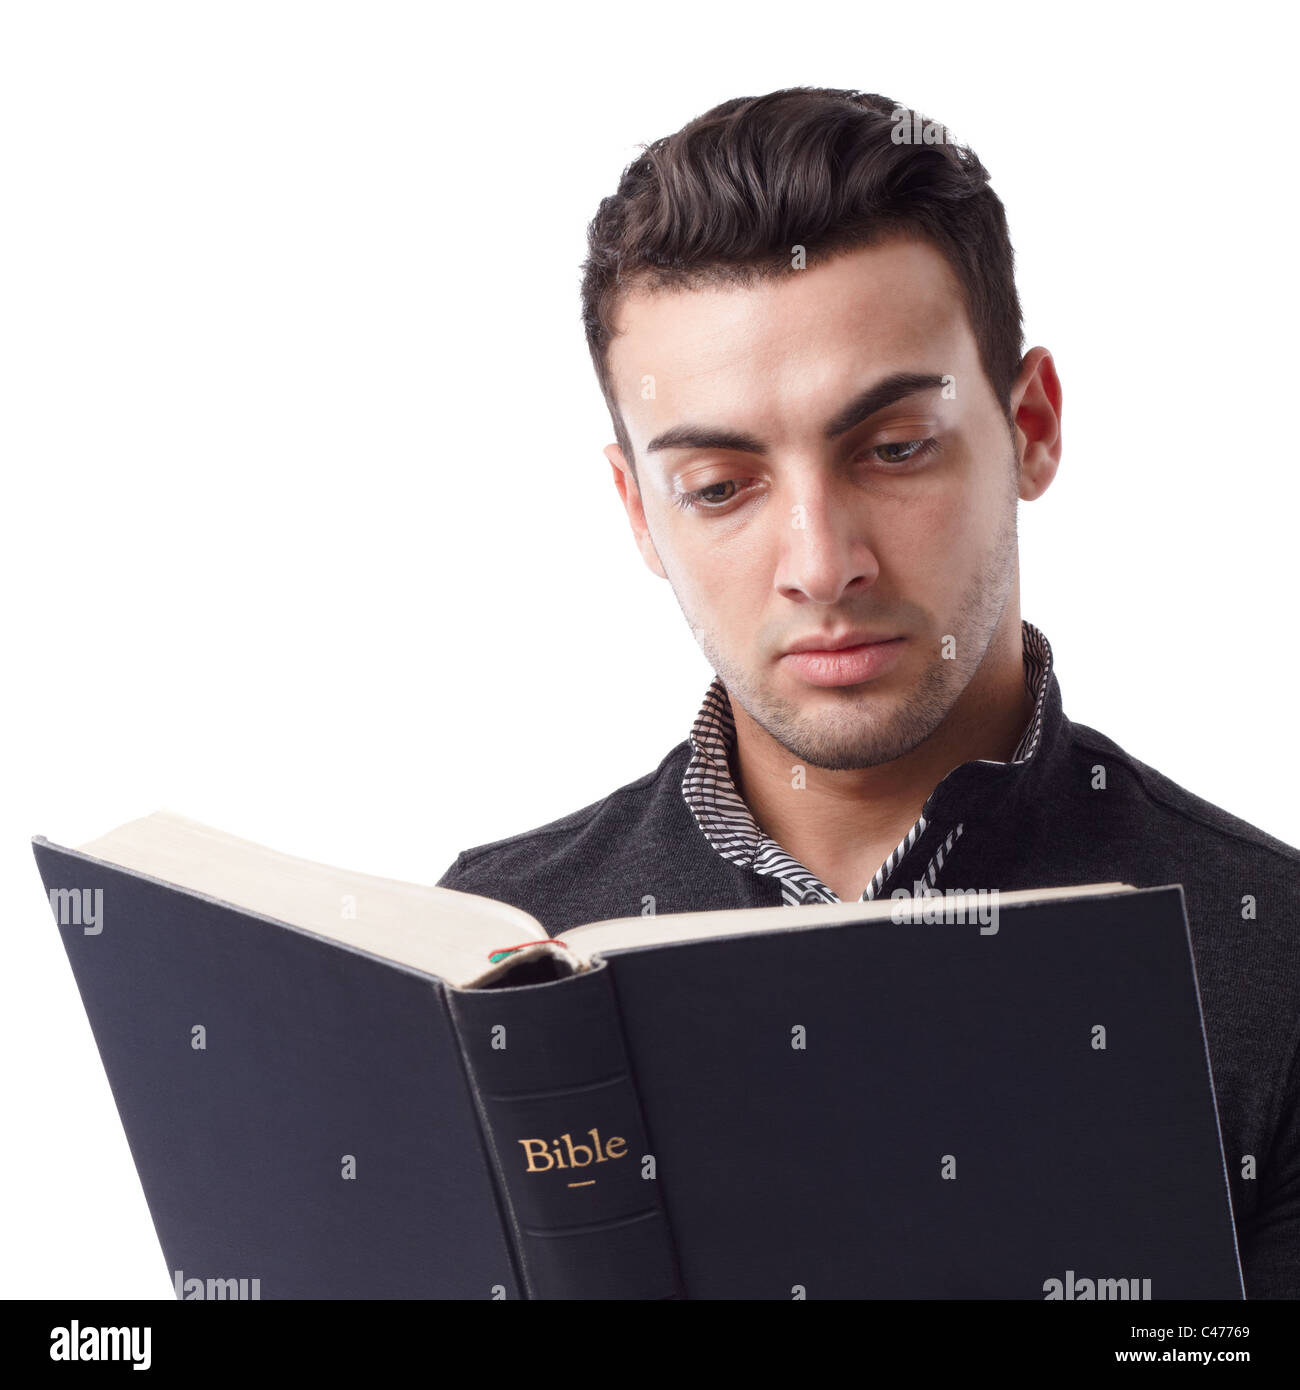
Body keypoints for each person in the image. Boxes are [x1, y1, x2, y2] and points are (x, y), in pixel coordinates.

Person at [436, 87, 1300, 1297]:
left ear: (1030, 425)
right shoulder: (497, 948)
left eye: (893, 449)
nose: (819, 561)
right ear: (640, 512)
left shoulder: (1279, 960)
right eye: (721, 485)